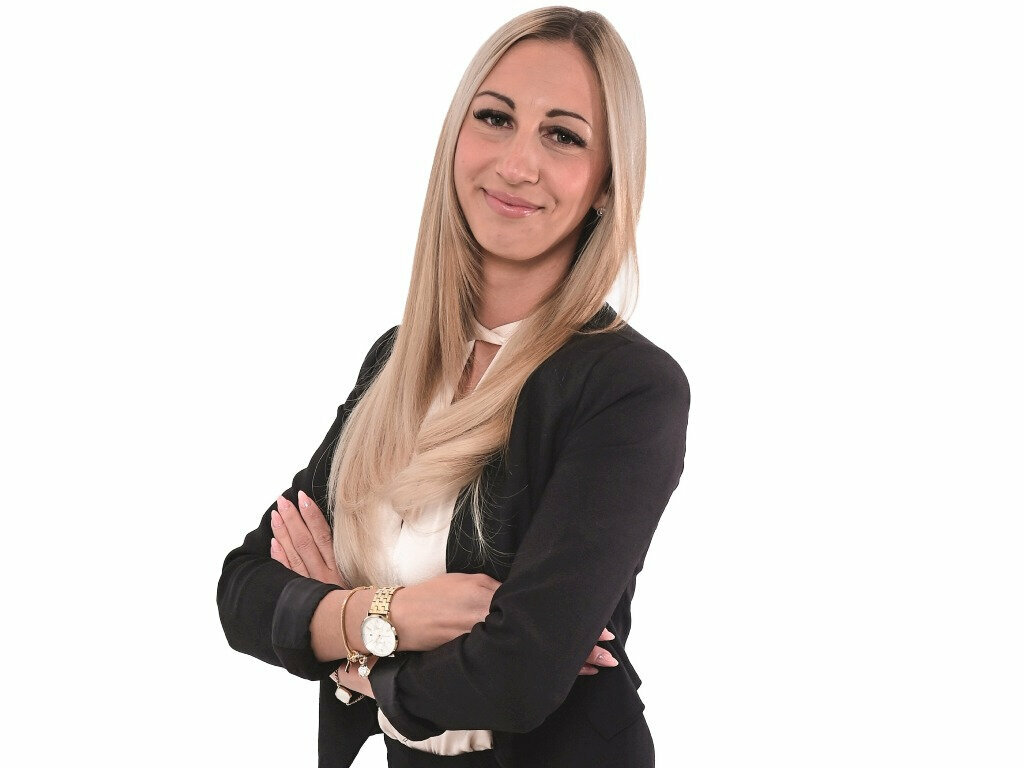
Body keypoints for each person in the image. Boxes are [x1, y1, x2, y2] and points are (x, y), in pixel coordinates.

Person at [217, 7, 690, 767]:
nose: (517, 164)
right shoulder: (398, 361)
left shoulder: (628, 388)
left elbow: (519, 676)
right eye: (495, 118)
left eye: (563, 136)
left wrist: (348, 650)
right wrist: (393, 614)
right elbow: (243, 590)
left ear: (607, 183)